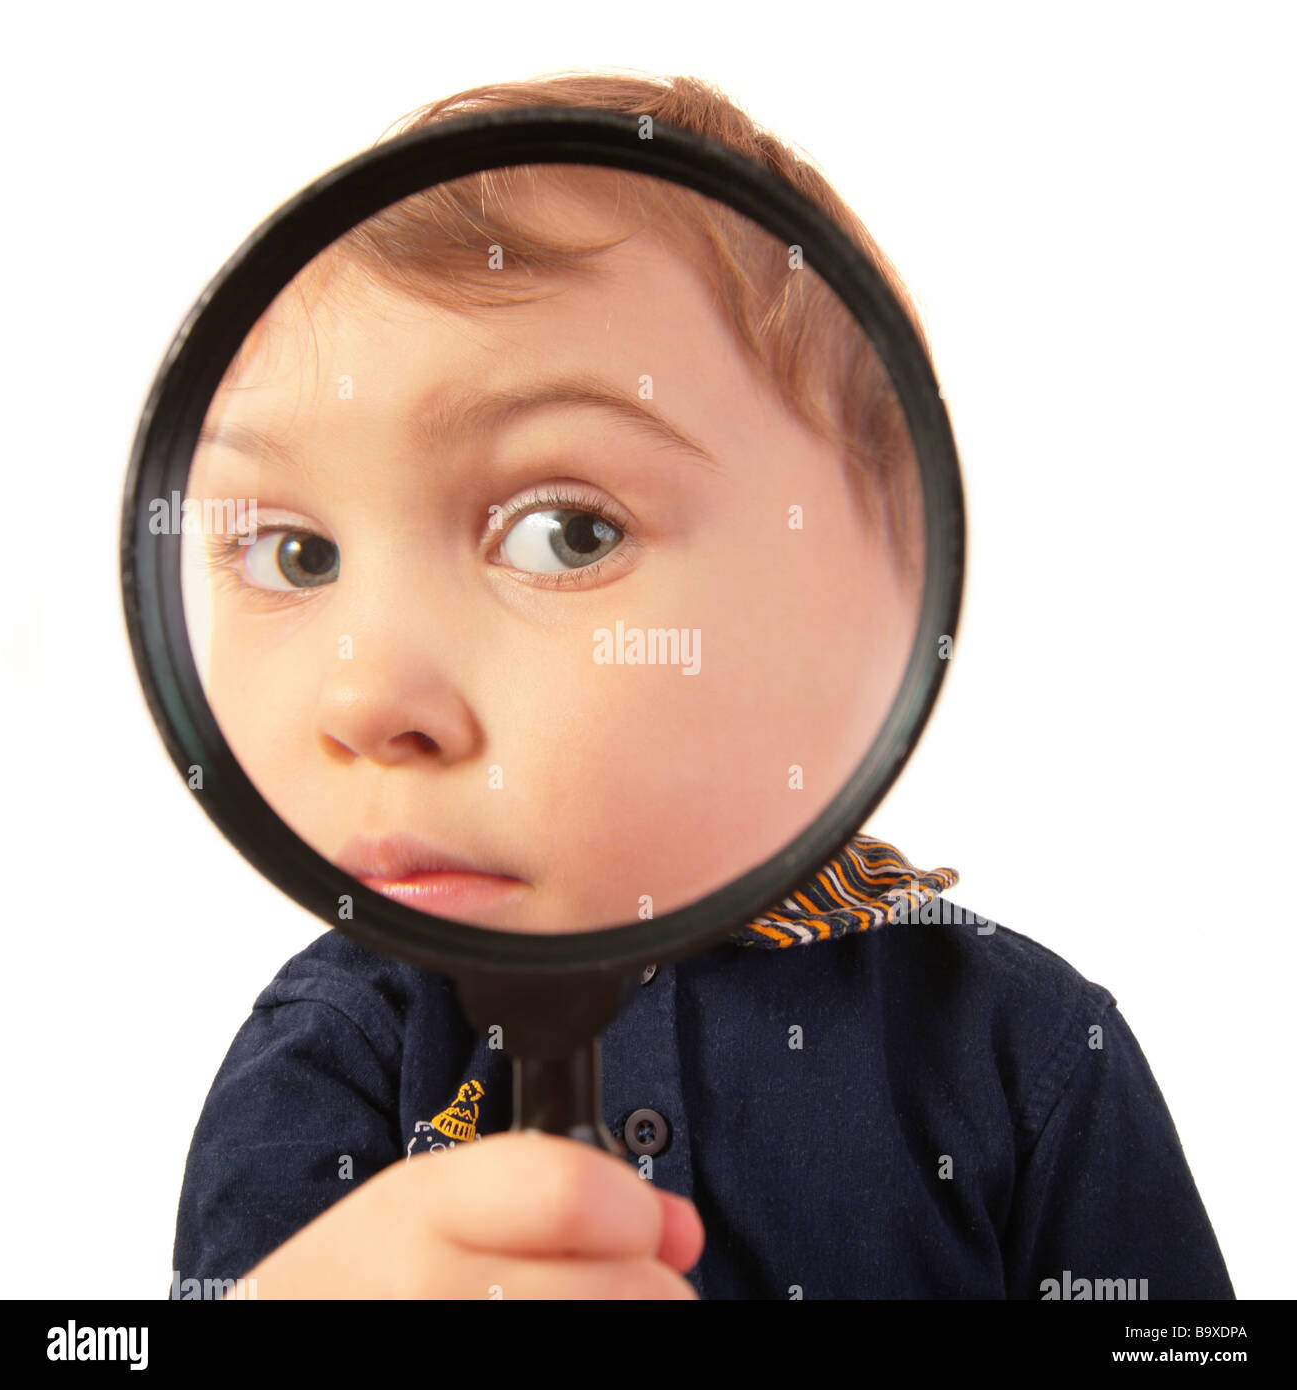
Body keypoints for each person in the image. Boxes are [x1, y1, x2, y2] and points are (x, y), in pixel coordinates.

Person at [170, 71, 1233, 1300]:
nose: (362, 699)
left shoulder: (1019, 1046)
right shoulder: (338, 1045)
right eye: (294, 553)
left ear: (856, 621)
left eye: (565, 531)